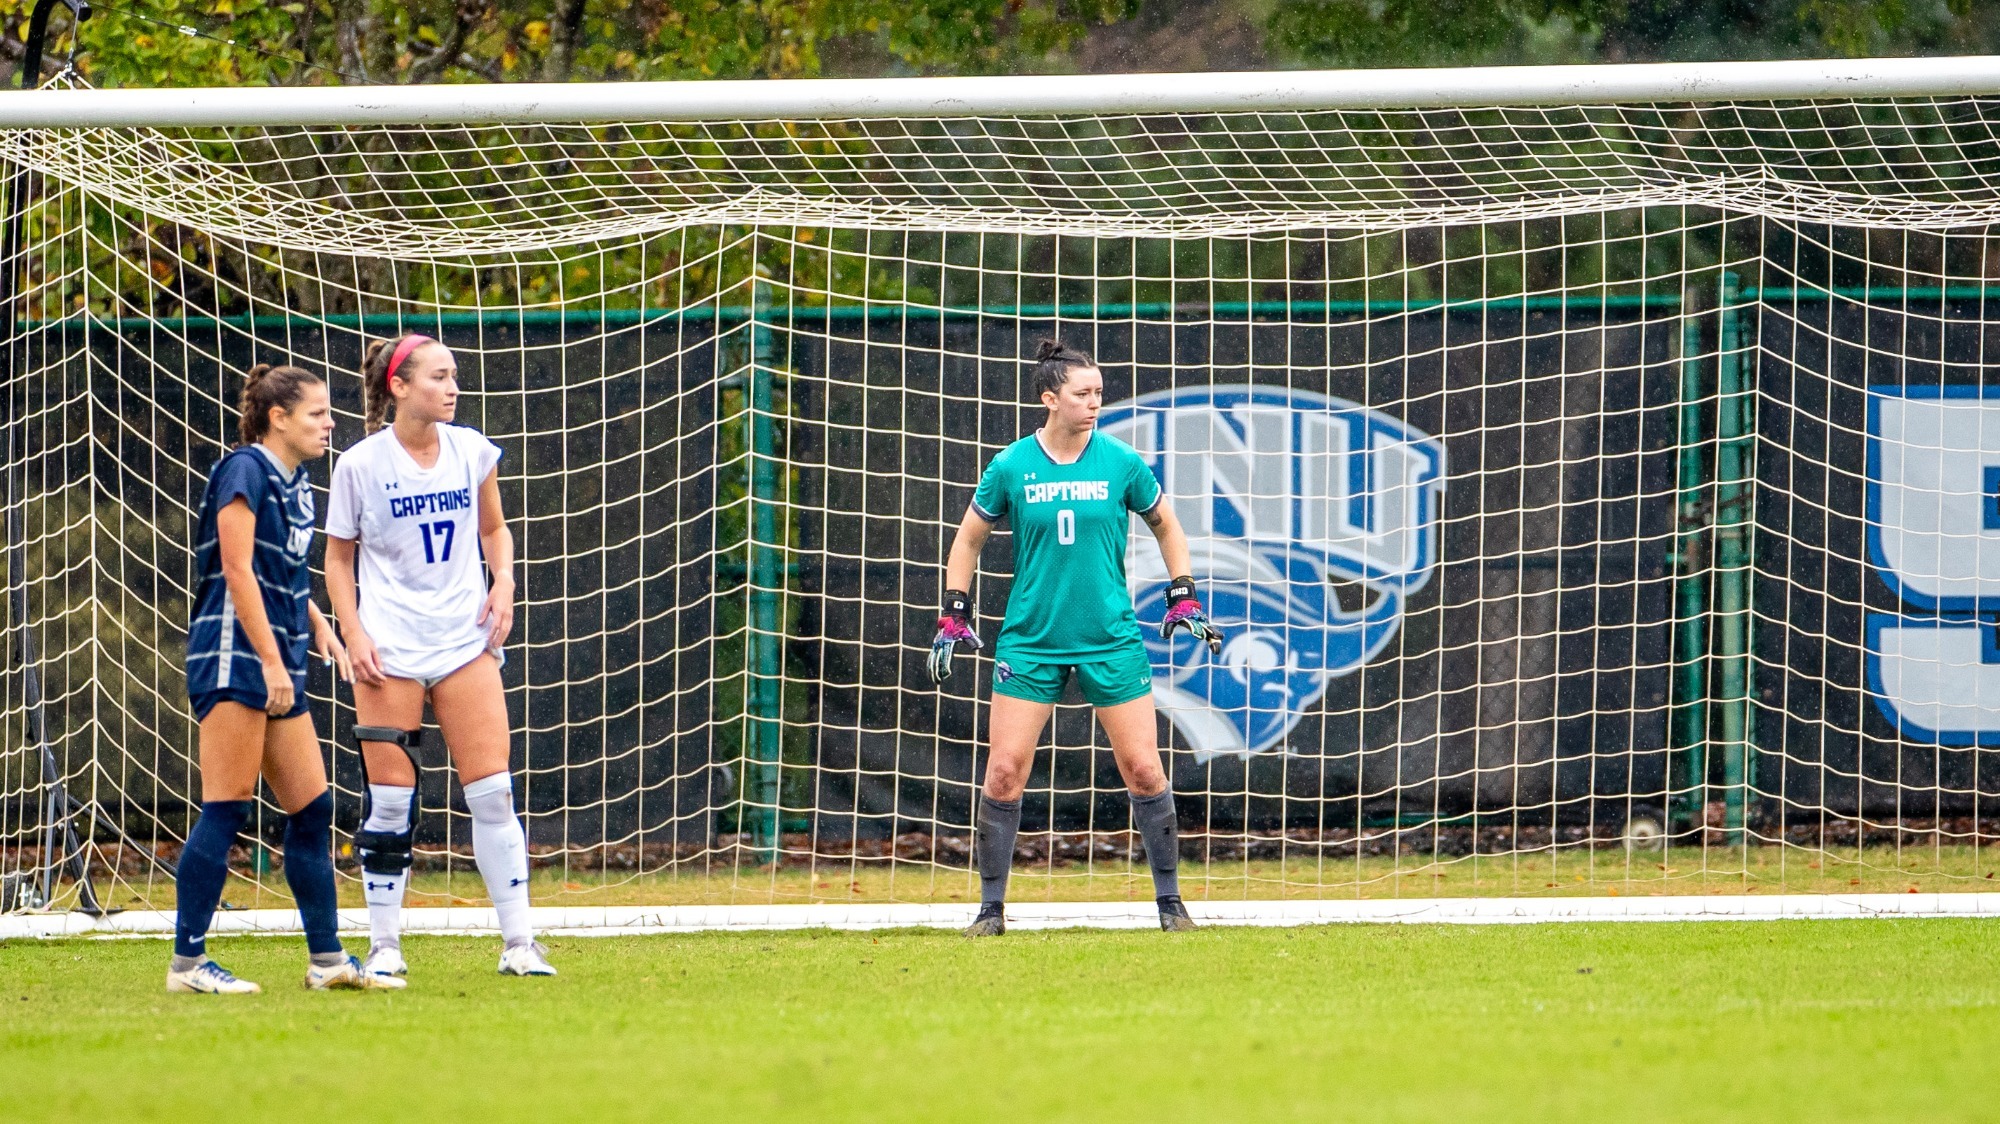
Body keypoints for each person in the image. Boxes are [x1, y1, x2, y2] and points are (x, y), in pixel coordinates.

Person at [930, 340, 1223, 937]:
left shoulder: (1121, 462)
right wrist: (954, 608)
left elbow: (1167, 526)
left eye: (1099, 393)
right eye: (1082, 394)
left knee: (1144, 770)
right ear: (1050, 398)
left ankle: (1171, 906)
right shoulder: (1011, 465)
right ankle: (990, 911)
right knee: (1004, 772)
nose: (1095, 403)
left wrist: (1183, 591)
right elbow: (968, 540)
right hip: (1031, 642)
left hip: (1111, 640)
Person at [326, 332, 553, 980]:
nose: (452, 388)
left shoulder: (471, 450)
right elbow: (337, 560)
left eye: (454, 376)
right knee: (390, 804)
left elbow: (494, 528)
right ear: (398, 387)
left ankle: (520, 944)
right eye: (438, 376)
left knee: (493, 793)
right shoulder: (359, 465)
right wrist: (353, 633)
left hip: (463, 642)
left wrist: (503, 580)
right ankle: (385, 948)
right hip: (389, 649)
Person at [169, 363, 397, 994]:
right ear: (278, 418)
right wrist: (271, 661)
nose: (330, 424)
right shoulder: (244, 469)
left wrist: (318, 623)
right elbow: (237, 569)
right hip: (232, 656)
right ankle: (187, 965)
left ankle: (327, 962)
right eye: (317, 414)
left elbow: (284, 575)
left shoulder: (298, 484)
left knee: (312, 807)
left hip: (280, 656)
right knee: (226, 806)